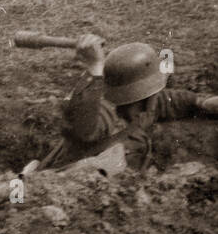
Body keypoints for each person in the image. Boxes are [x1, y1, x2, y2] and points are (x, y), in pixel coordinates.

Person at [41, 35, 218, 170]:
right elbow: (84, 130)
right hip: (71, 182)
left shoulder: (142, 102)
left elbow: (168, 100)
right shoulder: (105, 111)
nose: (154, 95)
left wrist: (201, 102)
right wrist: (95, 69)